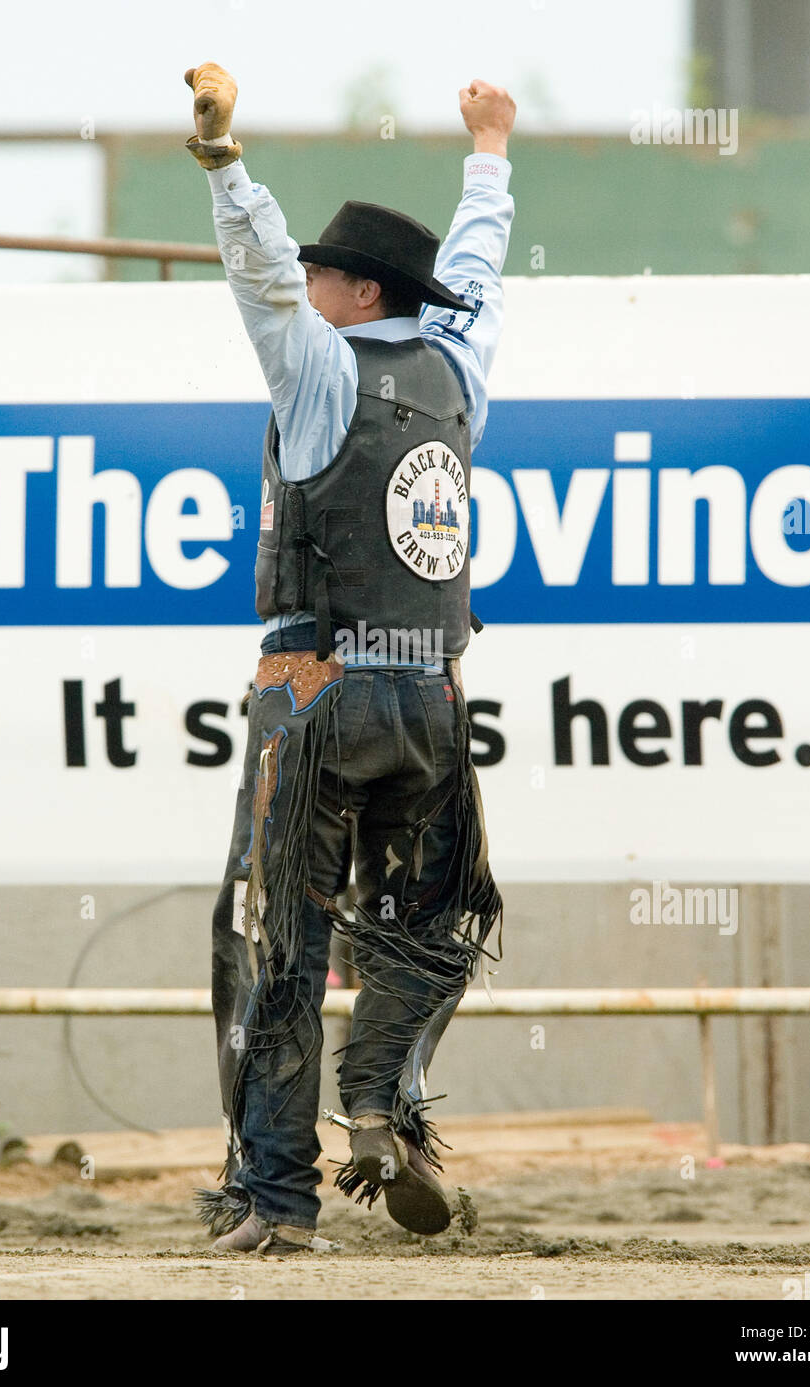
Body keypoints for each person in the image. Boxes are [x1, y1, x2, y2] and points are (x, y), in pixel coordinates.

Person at [183, 61, 515, 1254]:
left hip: (313, 694)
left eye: (331, 274)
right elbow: (475, 267)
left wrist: (228, 170)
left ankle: (276, 1197)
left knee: (278, 940)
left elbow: (262, 283)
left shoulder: (321, 370)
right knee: (427, 922)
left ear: (360, 290)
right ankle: (380, 1098)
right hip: (432, 694)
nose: (311, 286)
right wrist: (490, 157)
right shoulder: (459, 365)